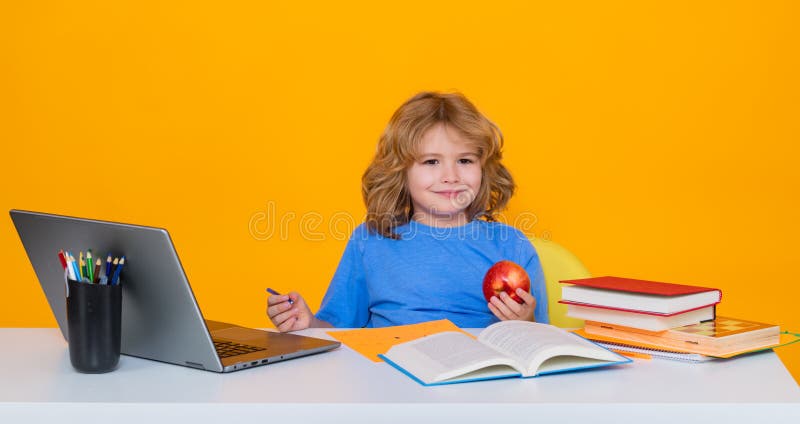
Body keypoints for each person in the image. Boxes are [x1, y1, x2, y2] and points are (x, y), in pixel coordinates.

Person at [267, 91, 548, 331]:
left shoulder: (513, 247)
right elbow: (338, 332)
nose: (450, 176)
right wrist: (308, 325)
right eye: (430, 162)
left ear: (483, 169)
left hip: (477, 390)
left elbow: (542, 344)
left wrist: (525, 321)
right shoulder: (371, 241)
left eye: (464, 160)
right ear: (401, 172)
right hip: (391, 385)